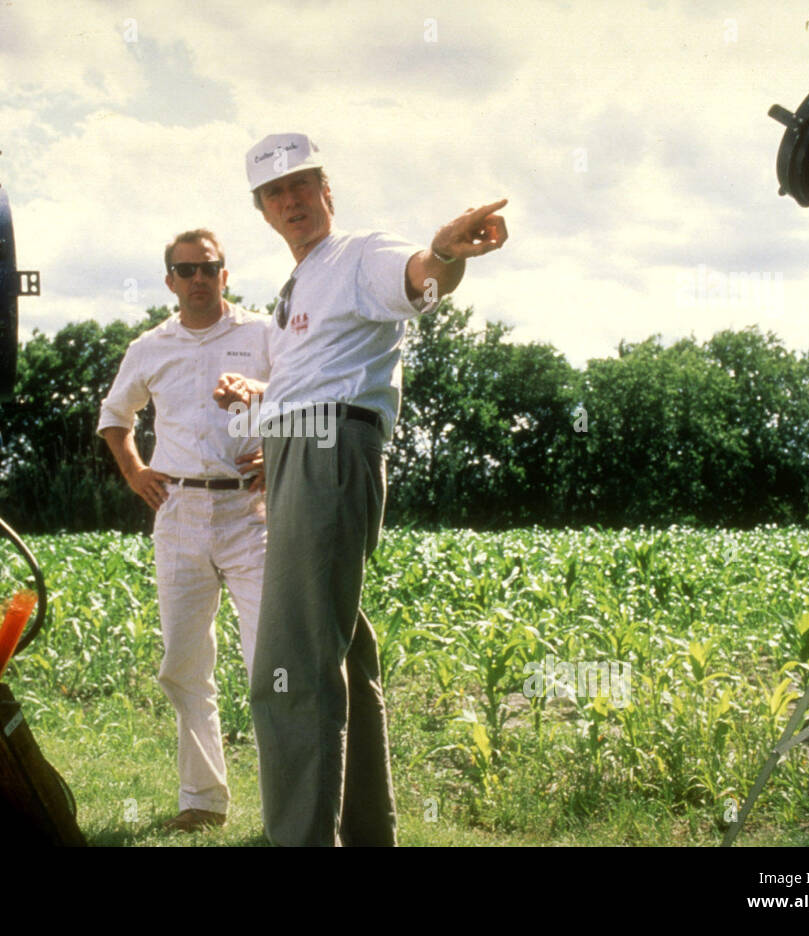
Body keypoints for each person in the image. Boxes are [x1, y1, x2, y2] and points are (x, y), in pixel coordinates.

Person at [215, 133, 509, 846]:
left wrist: (442, 256)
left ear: (327, 193)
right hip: (304, 450)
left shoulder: (357, 254)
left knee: (289, 663)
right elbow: (319, 376)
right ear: (262, 210)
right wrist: (267, 410)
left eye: (302, 185)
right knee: (339, 645)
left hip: (328, 451)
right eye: (275, 193)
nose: (291, 201)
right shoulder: (298, 287)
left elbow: (416, 279)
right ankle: (365, 829)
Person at [97, 229, 271, 832]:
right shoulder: (150, 346)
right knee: (182, 664)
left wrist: (279, 455)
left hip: (253, 514)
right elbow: (115, 416)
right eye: (186, 270)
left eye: (209, 268)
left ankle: (292, 808)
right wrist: (135, 471)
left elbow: (306, 397)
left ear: (226, 274)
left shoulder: (262, 334)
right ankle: (202, 801)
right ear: (169, 280)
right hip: (180, 514)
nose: (198, 279)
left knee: (269, 662)